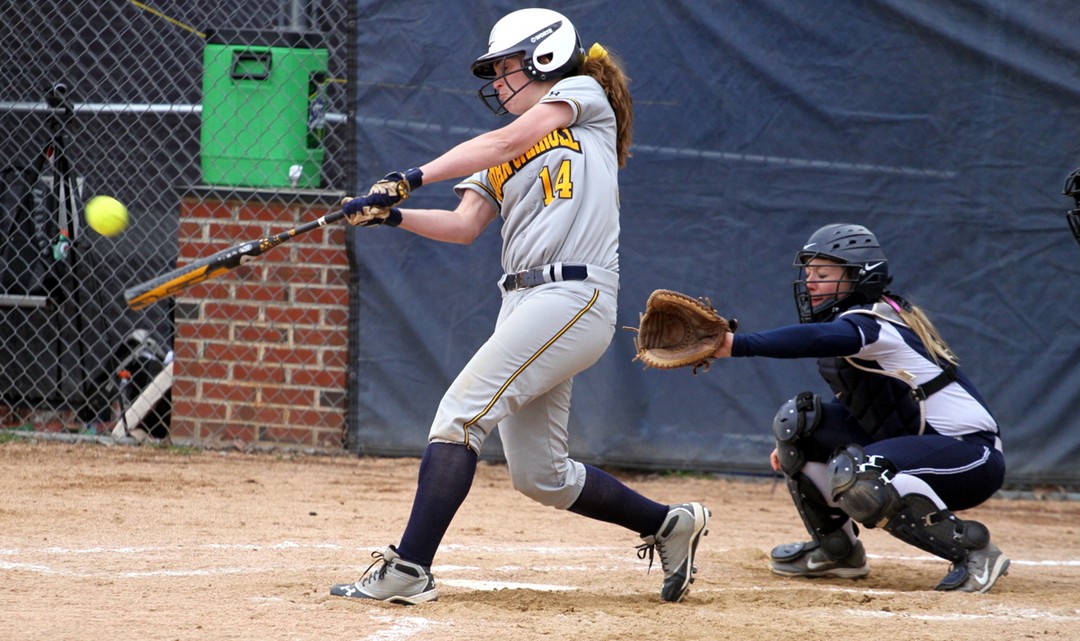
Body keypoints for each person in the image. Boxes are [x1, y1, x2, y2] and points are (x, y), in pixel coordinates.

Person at [329, 8, 710, 605]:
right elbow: (462, 225)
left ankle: (408, 568)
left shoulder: (582, 95)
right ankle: (669, 524)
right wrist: (392, 214)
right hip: (524, 302)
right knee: (540, 475)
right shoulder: (504, 154)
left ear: (546, 58)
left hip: (575, 294)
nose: (498, 81)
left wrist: (410, 175)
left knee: (459, 416)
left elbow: (507, 137)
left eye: (506, 67)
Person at [712, 223, 1009, 593]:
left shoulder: (875, 322)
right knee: (801, 425)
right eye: (808, 274)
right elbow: (873, 402)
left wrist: (735, 344)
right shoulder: (859, 322)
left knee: (862, 472)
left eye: (823, 274)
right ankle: (838, 551)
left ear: (859, 277)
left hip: (970, 455)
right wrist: (800, 447)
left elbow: (818, 338)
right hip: (914, 443)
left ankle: (975, 552)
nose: (811, 283)